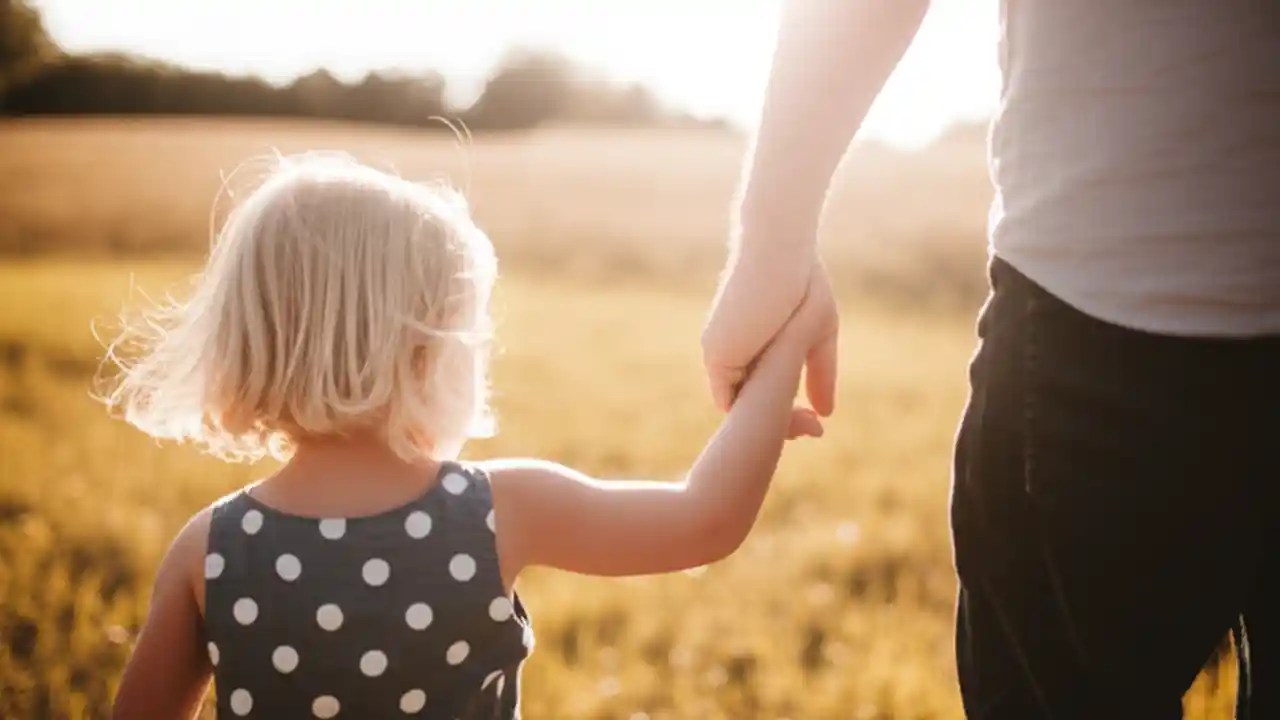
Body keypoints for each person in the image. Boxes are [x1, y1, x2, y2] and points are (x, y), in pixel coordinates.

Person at [703, 0, 1279, 717]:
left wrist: (771, 244)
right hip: (1105, 317)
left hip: (1107, 317)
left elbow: (699, 521)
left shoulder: (513, 511)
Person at [106, 153, 833, 719]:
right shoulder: (493, 513)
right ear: (426, 351)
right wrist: (781, 352)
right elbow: (703, 520)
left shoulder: (212, 548)